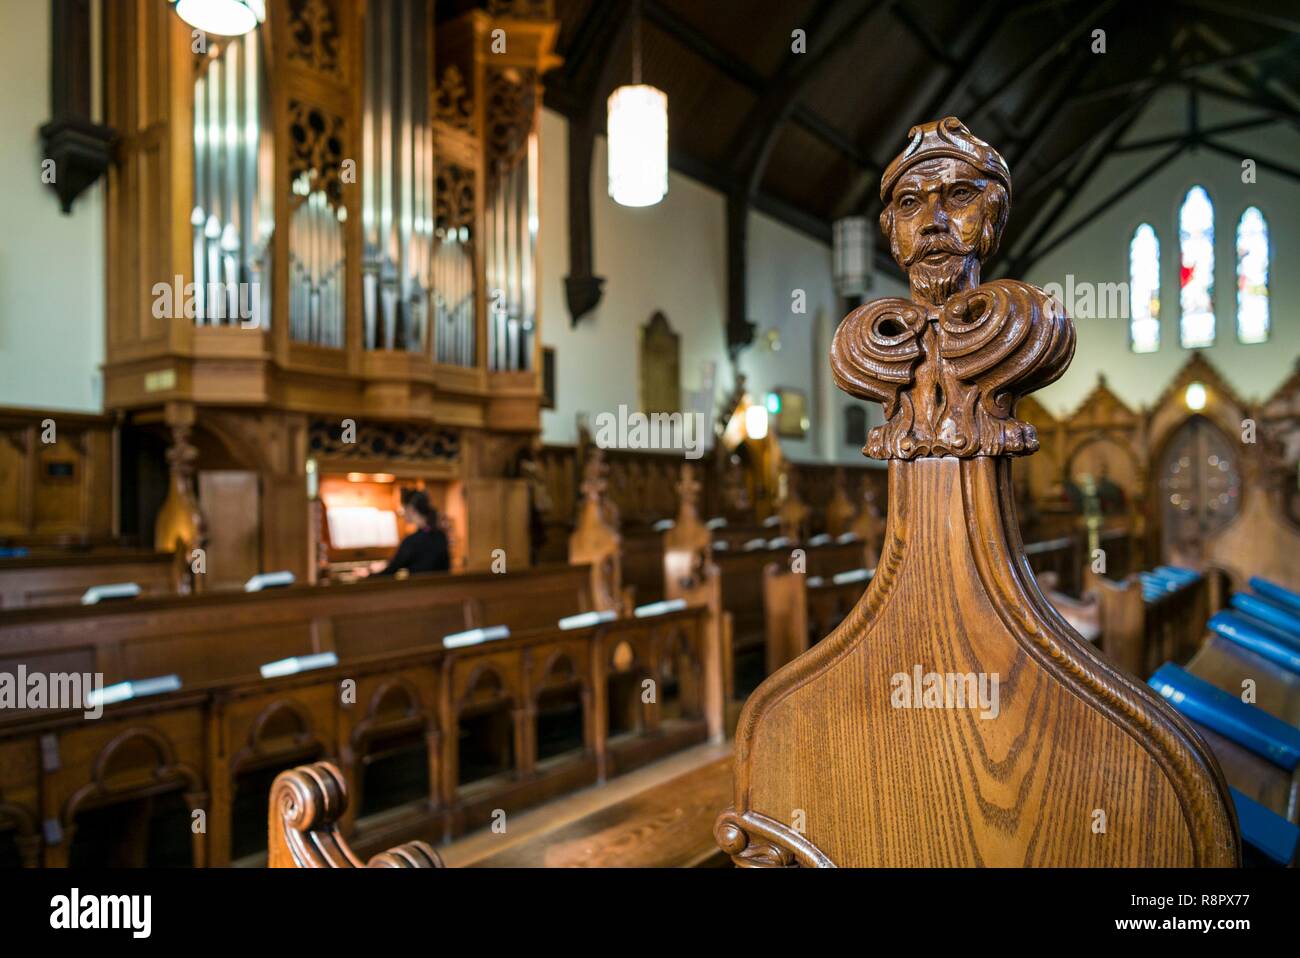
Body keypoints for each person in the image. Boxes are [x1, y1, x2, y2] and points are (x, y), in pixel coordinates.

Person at [371, 489, 450, 577]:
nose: (402, 513)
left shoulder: (412, 541)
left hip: (417, 588)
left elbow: (390, 571)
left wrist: (368, 574)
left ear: (410, 509)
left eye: (403, 508)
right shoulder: (440, 535)